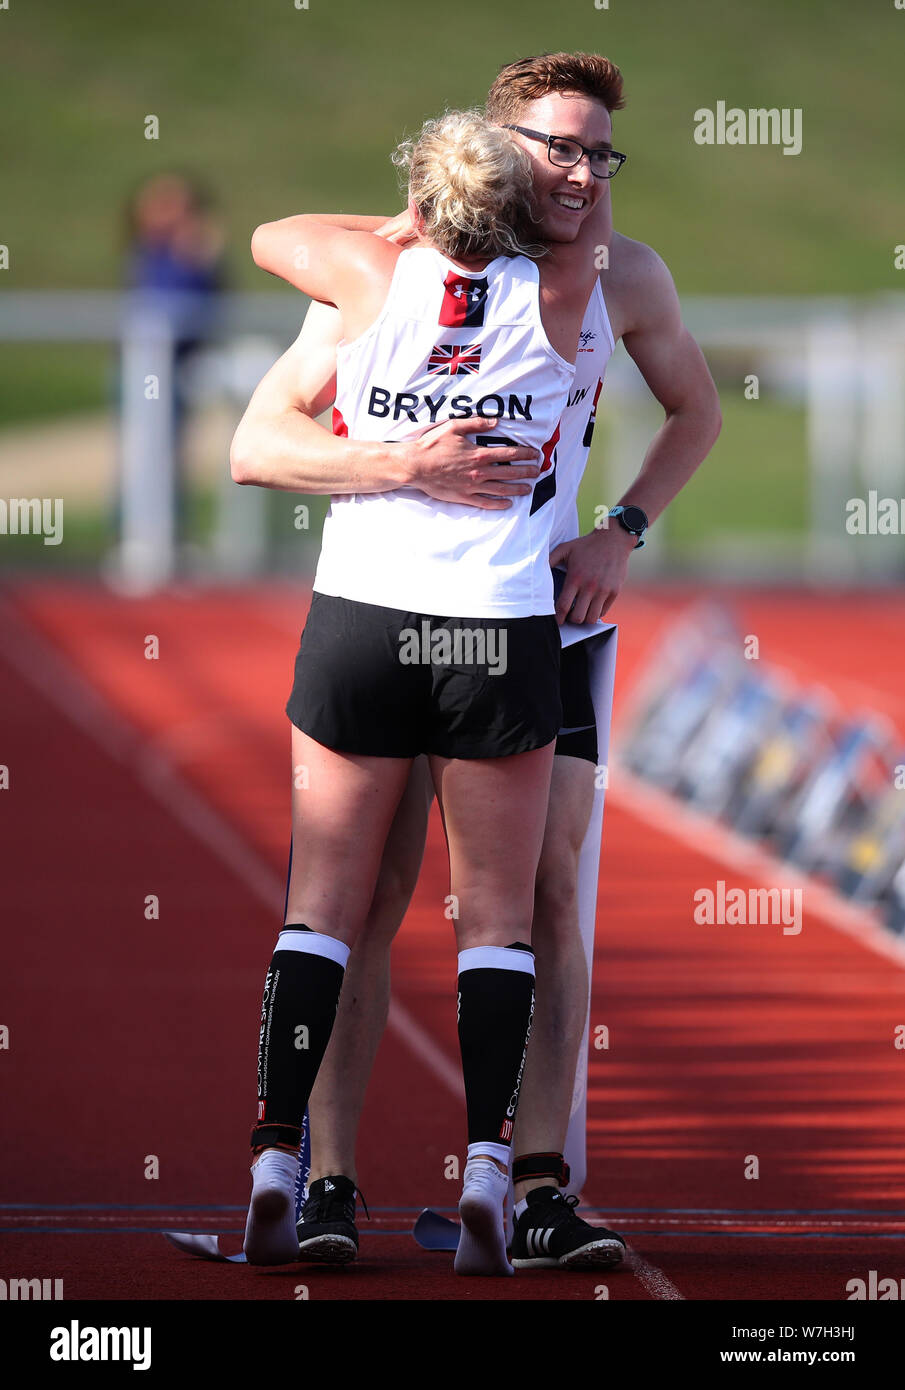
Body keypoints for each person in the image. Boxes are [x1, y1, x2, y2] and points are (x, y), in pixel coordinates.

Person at [235, 53, 722, 1272]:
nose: (578, 171)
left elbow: (696, 412)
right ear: (494, 150)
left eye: (599, 152)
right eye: (554, 147)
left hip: (543, 614)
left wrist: (621, 529)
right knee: (379, 890)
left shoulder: (621, 272)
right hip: (460, 607)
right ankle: (340, 1174)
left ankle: (536, 1181)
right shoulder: (398, 276)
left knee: (547, 895)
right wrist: (402, 463)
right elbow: (272, 427)